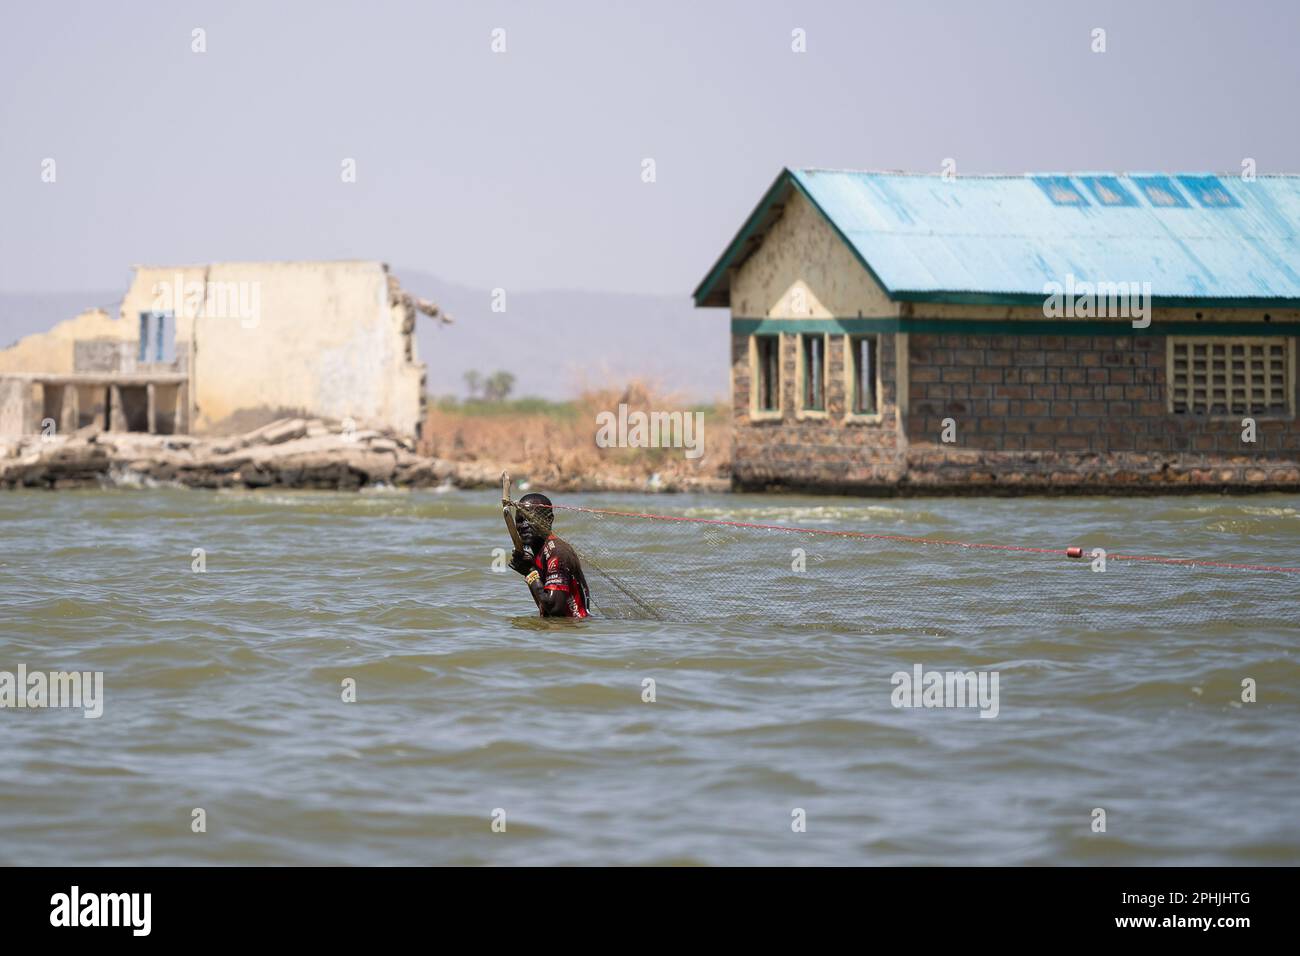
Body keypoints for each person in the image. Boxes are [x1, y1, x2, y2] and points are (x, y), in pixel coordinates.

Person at [508, 492, 591, 618]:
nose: (523, 526)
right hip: (562, 631)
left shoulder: (556, 551)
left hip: (572, 629)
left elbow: (554, 607)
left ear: (549, 519)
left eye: (530, 519)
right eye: (520, 520)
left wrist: (530, 572)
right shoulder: (540, 552)